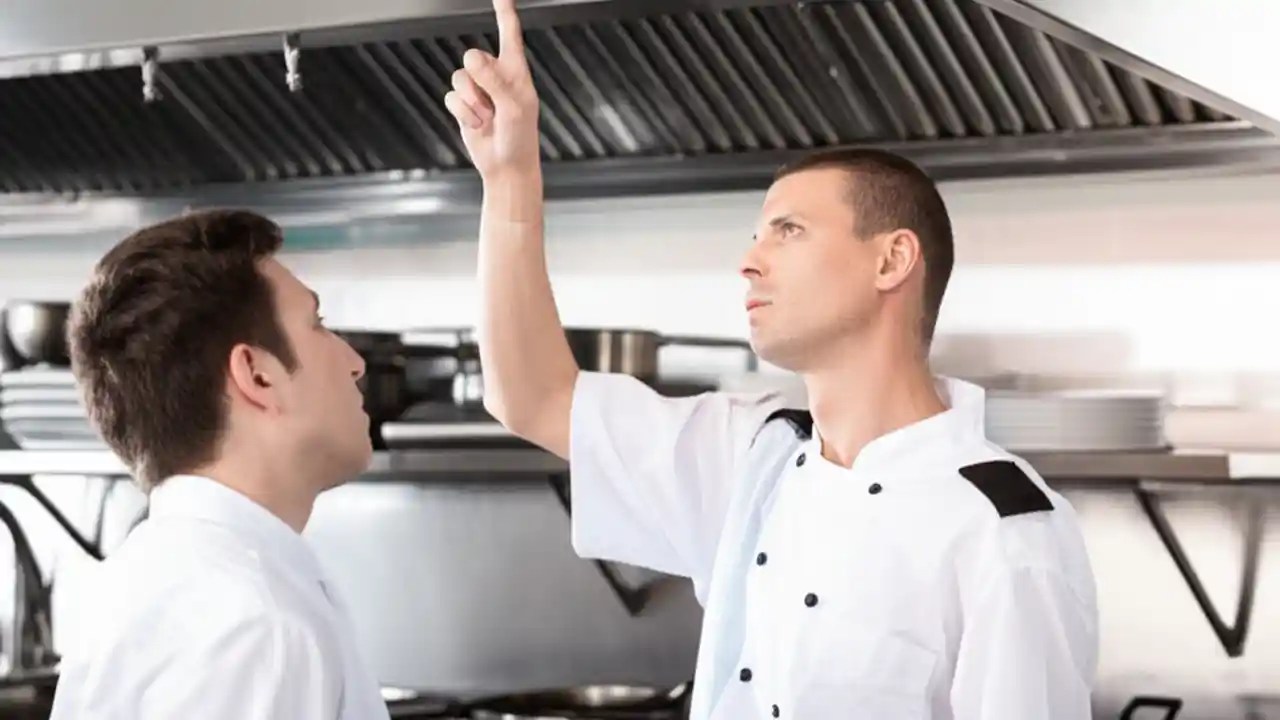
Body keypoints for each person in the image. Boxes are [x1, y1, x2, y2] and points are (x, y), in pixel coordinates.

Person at [444, 1, 1099, 718]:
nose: (749, 263)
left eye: (787, 231)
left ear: (892, 260)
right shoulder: (751, 458)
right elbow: (532, 396)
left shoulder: (1004, 531)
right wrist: (510, 181)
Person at [49, 210, 391, 720]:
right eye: (318, 325)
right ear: (257, 375)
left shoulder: (174, 577)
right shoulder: (251, 626)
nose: (355, 361)